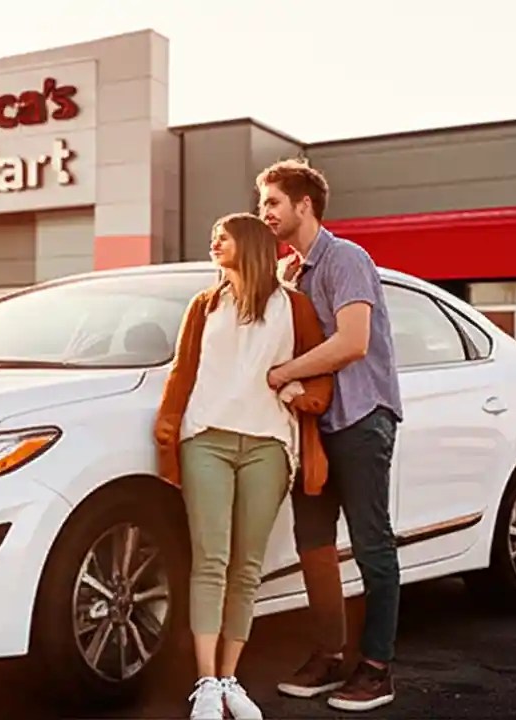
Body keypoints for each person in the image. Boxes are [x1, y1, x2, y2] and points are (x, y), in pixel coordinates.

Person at [154, 213, 333, 720]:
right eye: (213, 234)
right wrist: (169, 429)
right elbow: (181, 371)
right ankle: (206, 684)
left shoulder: (292, 307)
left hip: (268, 446)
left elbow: (320, 368)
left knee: (246, 568)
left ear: (251, 245)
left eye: (224, 235)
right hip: (205, 439)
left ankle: (231, 678)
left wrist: (301, 391)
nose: (215, 241)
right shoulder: (205, 305)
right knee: (211, 559)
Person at [258, 159, 404, 713]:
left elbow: (353, 342)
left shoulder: (347, 260)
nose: (265, 213)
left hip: (363, 418)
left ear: (304, 205)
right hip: (315, 429)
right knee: (314, 545)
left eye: (273, 202)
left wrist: (283, 374)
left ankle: (376, 668)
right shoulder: (290, 275)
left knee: (371, 543)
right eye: (261, 204)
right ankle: (328, 655)